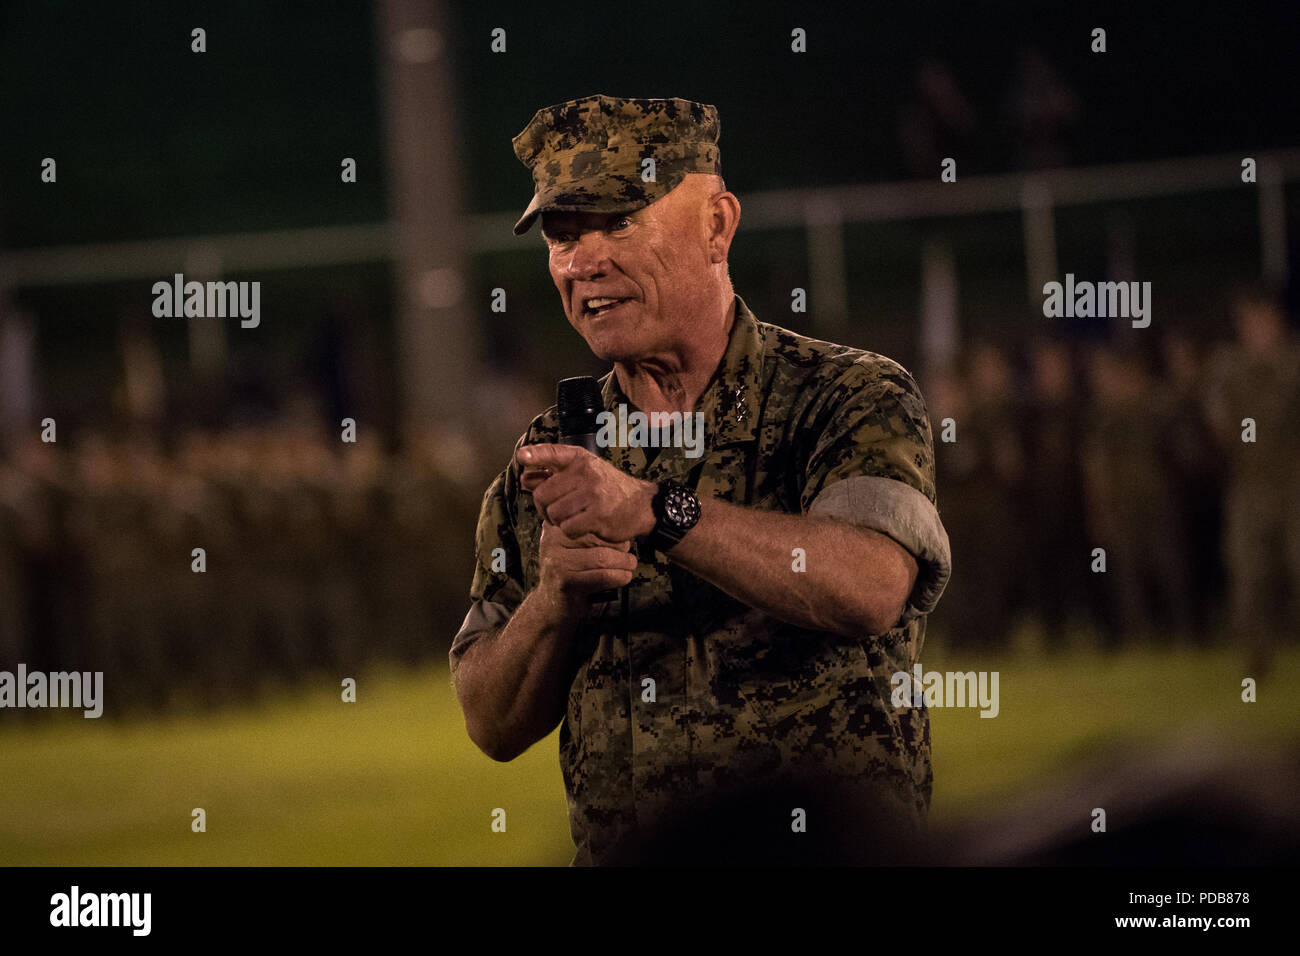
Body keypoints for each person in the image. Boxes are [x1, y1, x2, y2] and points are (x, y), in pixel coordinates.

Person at [449, 94, 952, 865]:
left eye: (619, 222)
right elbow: (490, 720)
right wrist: (554, 601)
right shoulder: (550, 454)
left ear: (717, 226)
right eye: (562, 236)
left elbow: (871, 584)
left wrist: (657, 510)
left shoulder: (845, 396)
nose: (584, 261)